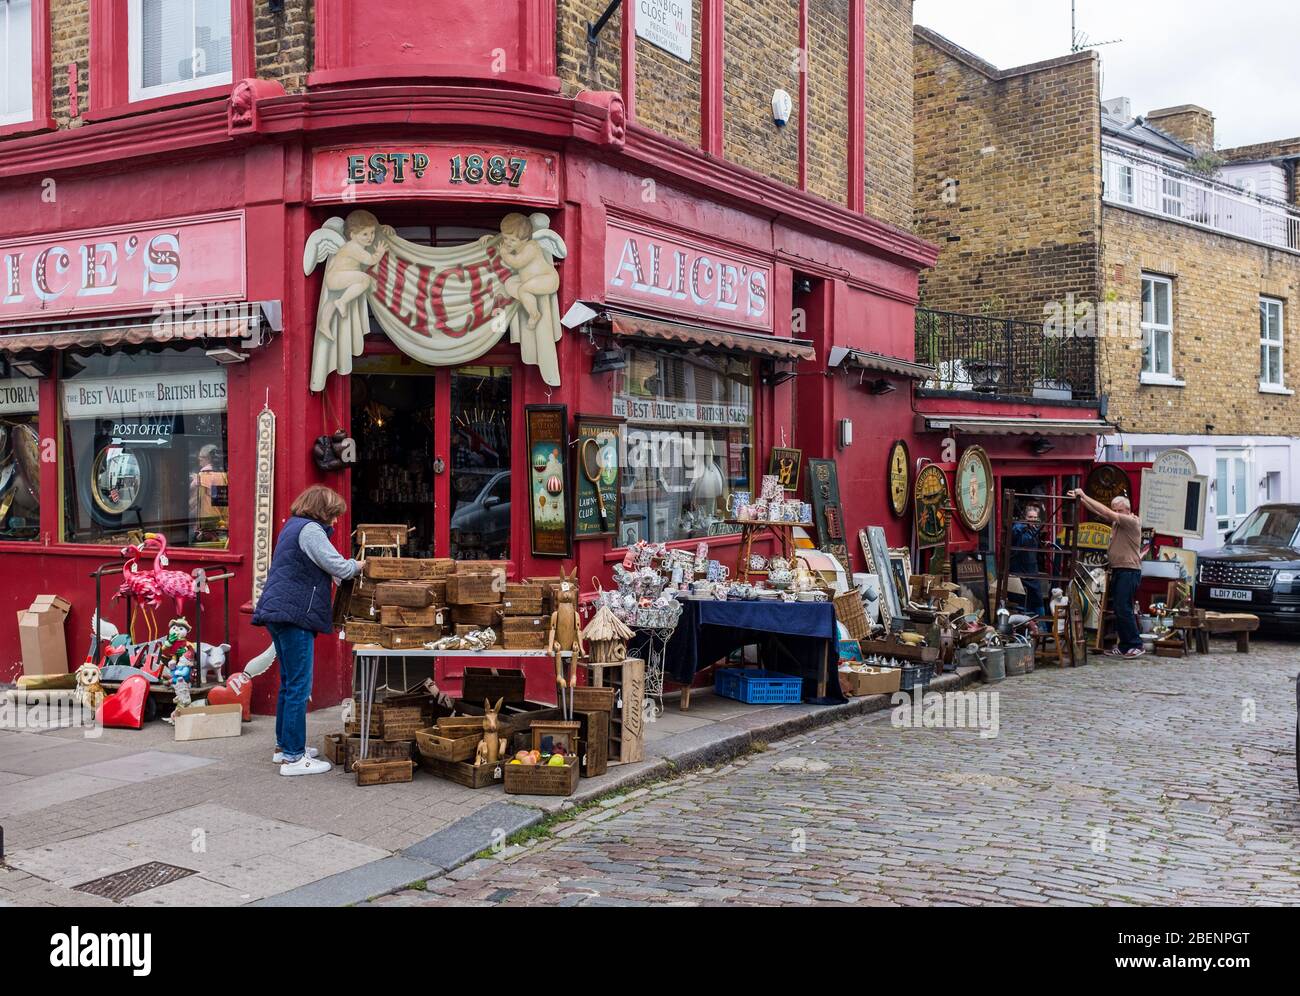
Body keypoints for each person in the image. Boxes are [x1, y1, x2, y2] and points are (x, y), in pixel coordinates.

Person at [253, 485, 362, 775]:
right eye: (334, 515)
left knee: (289, 684)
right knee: (299, 686)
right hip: (295, 615)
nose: (336, 522)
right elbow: (337, 566)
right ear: (322, 511)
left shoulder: (293, 527)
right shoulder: (311, 530)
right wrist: (359, 565)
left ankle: (284, 747)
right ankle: (294, 757)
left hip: (281, 612)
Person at [1068, 488, 1144, 658]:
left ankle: (1136, 644)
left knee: (1123, 608)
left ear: (1128, 510)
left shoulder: (1131, 521)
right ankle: (1125, 646)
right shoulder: (1118, 522)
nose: (1116, 513)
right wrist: (1081, 500)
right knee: (1119, 608)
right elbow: (1099, 511)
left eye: (1119, 510)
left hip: (1129, 570)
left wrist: (1085, 494)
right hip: (1119, 569)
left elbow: (1107, 513)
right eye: (1115, 510)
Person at [1010, 504, 1044, 616]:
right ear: (1025, 517)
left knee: (1038, 597)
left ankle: (1041, 624)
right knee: (1021, 598)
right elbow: (1015, 531)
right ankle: (1025, 623)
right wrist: (1025, 526)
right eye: (1030, 517)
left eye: (1035, 517)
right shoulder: (1020, 528)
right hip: (1020, 569)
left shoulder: (1034, 530)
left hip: (1032, 570)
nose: (1033, 520)